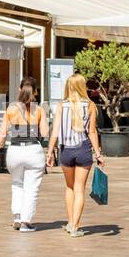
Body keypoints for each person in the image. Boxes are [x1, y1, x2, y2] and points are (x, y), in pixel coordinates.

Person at [46, 73, 105, 238]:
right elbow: (92, 131)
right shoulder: (90, 105)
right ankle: (75, 227)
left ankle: (70, 222)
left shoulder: (61, 105)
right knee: (79, 190)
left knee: (69, 187)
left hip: (66, 150)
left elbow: (55, 131)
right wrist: (98, 153)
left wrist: (49, 153)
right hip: (83, 149)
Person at [0, 77, 49, 232]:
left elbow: (2, 133)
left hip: (14, 150)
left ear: (19, 89)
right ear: (35, 91)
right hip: (33, 150)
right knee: (31, 187)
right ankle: (26, 222)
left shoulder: (11, 109)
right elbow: (44, 133)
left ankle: (17, 216)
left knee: (17, 184)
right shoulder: (39, 110)